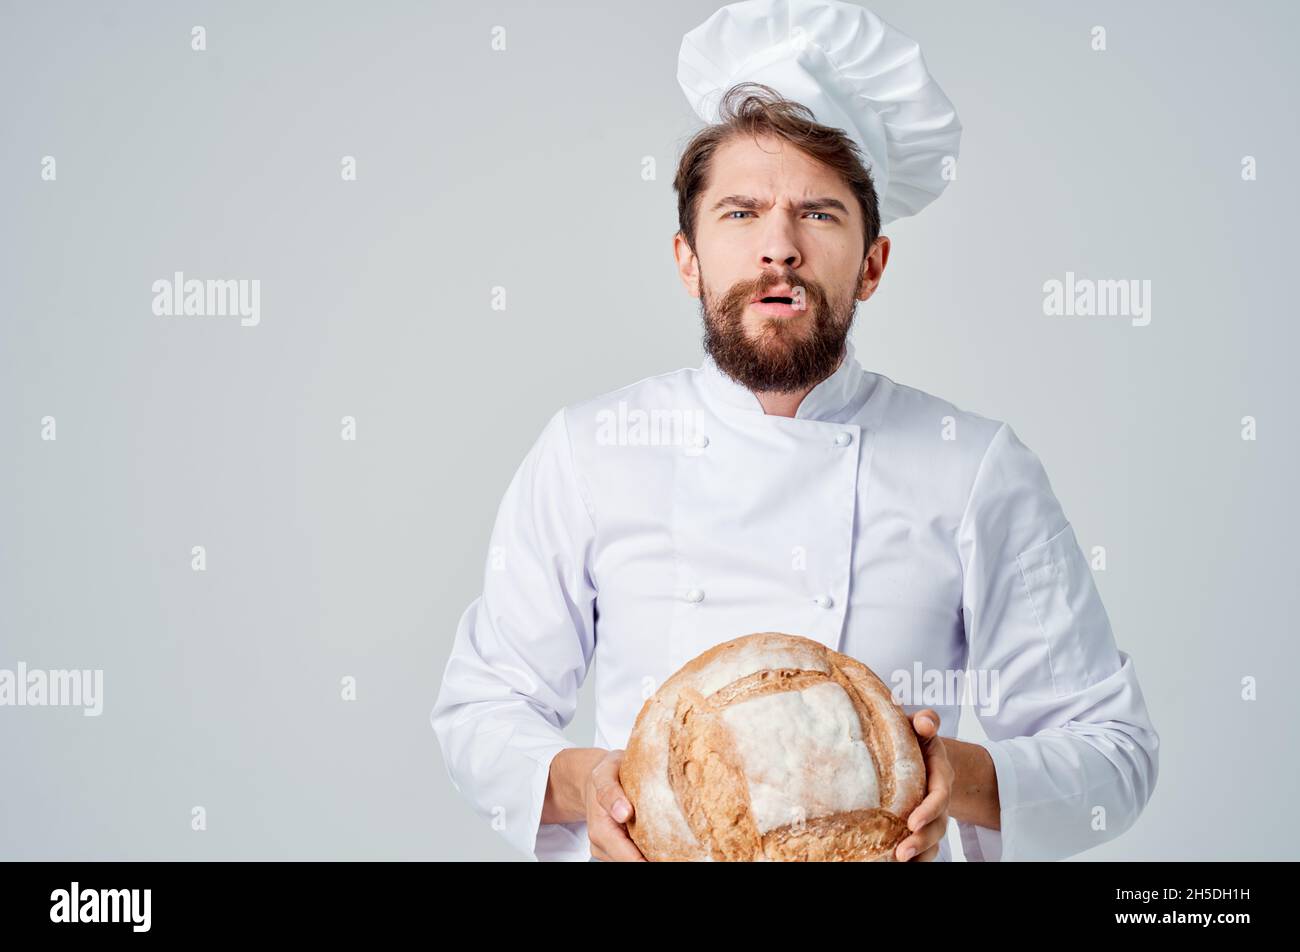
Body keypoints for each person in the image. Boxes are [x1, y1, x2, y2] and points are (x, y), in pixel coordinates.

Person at [432, 0, 1158, 863]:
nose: (778, 247)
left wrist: (947, 776)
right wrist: (588, 782)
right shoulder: (591, 450)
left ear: (873, 265)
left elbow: (1114, 755)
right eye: (740, 213)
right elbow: (482, 708)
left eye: (818, 214)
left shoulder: (973, 468)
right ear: (686, 259)